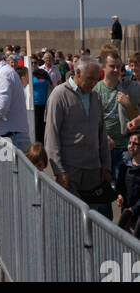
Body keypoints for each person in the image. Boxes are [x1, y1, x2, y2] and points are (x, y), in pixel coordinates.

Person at [44, 57, 111, 207]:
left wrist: (106, 166)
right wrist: (59, 170)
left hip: (94, 171)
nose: (94, 83)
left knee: (92, 218)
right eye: (90, 79)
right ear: (78, 72)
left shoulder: (95, 96)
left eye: (96, 79)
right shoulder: (59, 95)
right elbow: (51, 134)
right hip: (70, 170)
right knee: (72, 218)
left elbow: (101, 133)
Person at [95, 49, 140, 187]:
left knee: (125, 192)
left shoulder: (131, 87)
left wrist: (128, 106)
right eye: (112, 66)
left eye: (118, 67)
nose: (116, 70)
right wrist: (103, 136)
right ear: (103, 66)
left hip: (125, 148)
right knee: (104, 190)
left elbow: (136, 120)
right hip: (104, 149)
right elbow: (89, 120)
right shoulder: (95, 90)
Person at [115, 134, 140, 236]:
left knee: (136, 243)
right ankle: (126, 253)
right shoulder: (124, 166)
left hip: (137, 214)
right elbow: (119, 186)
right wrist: (119, 196)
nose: (130, 146)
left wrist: (133, 209)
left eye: (135, 144)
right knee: (125, 246)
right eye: (129, 143)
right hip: (126, 213)